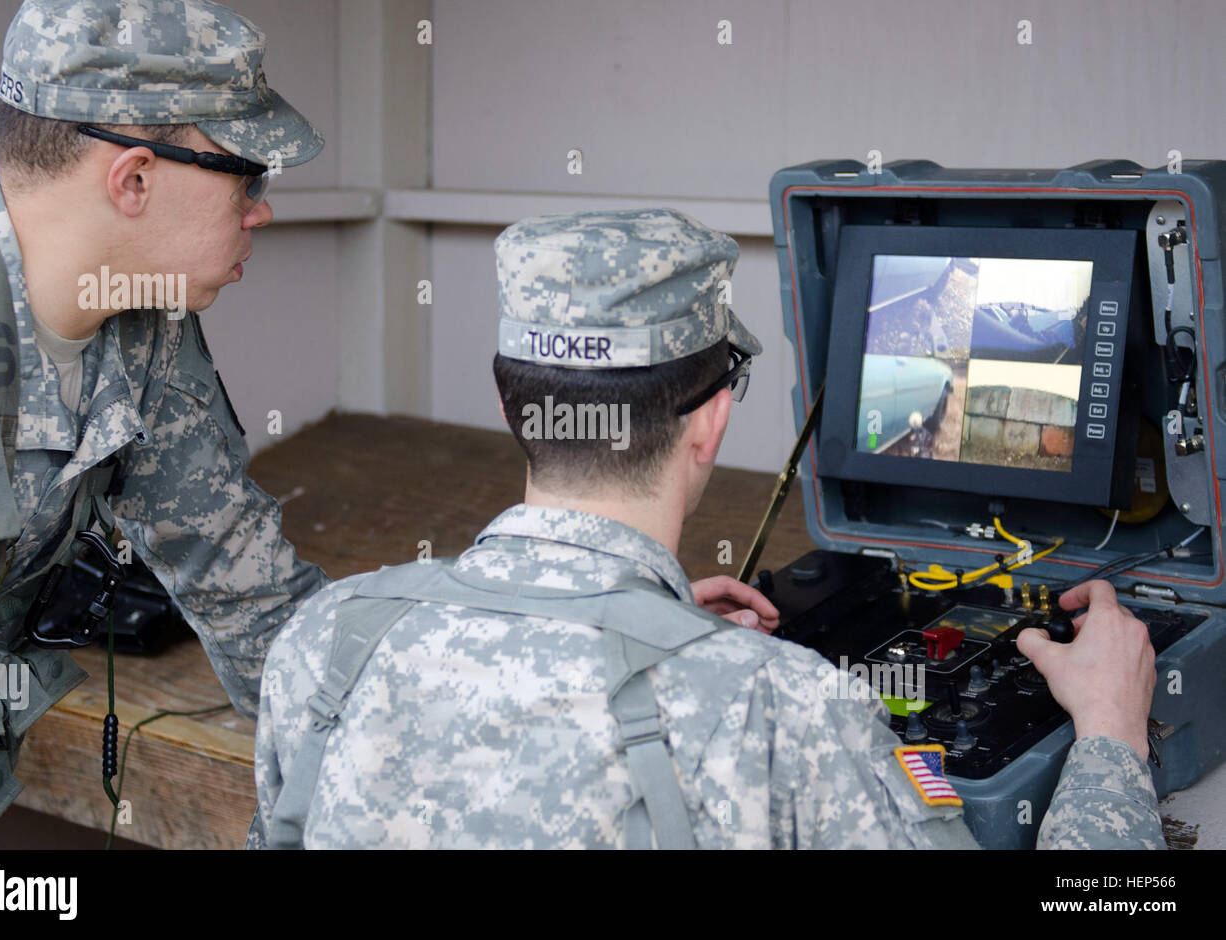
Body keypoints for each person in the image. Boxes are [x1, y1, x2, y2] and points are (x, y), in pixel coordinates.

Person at [251, 207, 1164, 849]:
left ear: (510, 401)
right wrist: (1114, 739)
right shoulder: (785, 709)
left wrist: (651, 628)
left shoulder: (326, 640)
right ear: (713, 420)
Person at [0, 0, 329, 845]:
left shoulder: (145, 328)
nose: (260, 209)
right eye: (247, 173)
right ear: (134, 178)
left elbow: (252, 596)